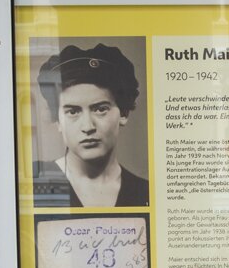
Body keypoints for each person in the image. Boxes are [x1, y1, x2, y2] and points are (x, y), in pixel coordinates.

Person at [32, 43, 151, 208]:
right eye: (73, 112)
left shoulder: (144, 191)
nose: (88, 127)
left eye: (100, 109)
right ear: (58, 120)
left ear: (124, 113)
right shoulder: (32, 182)